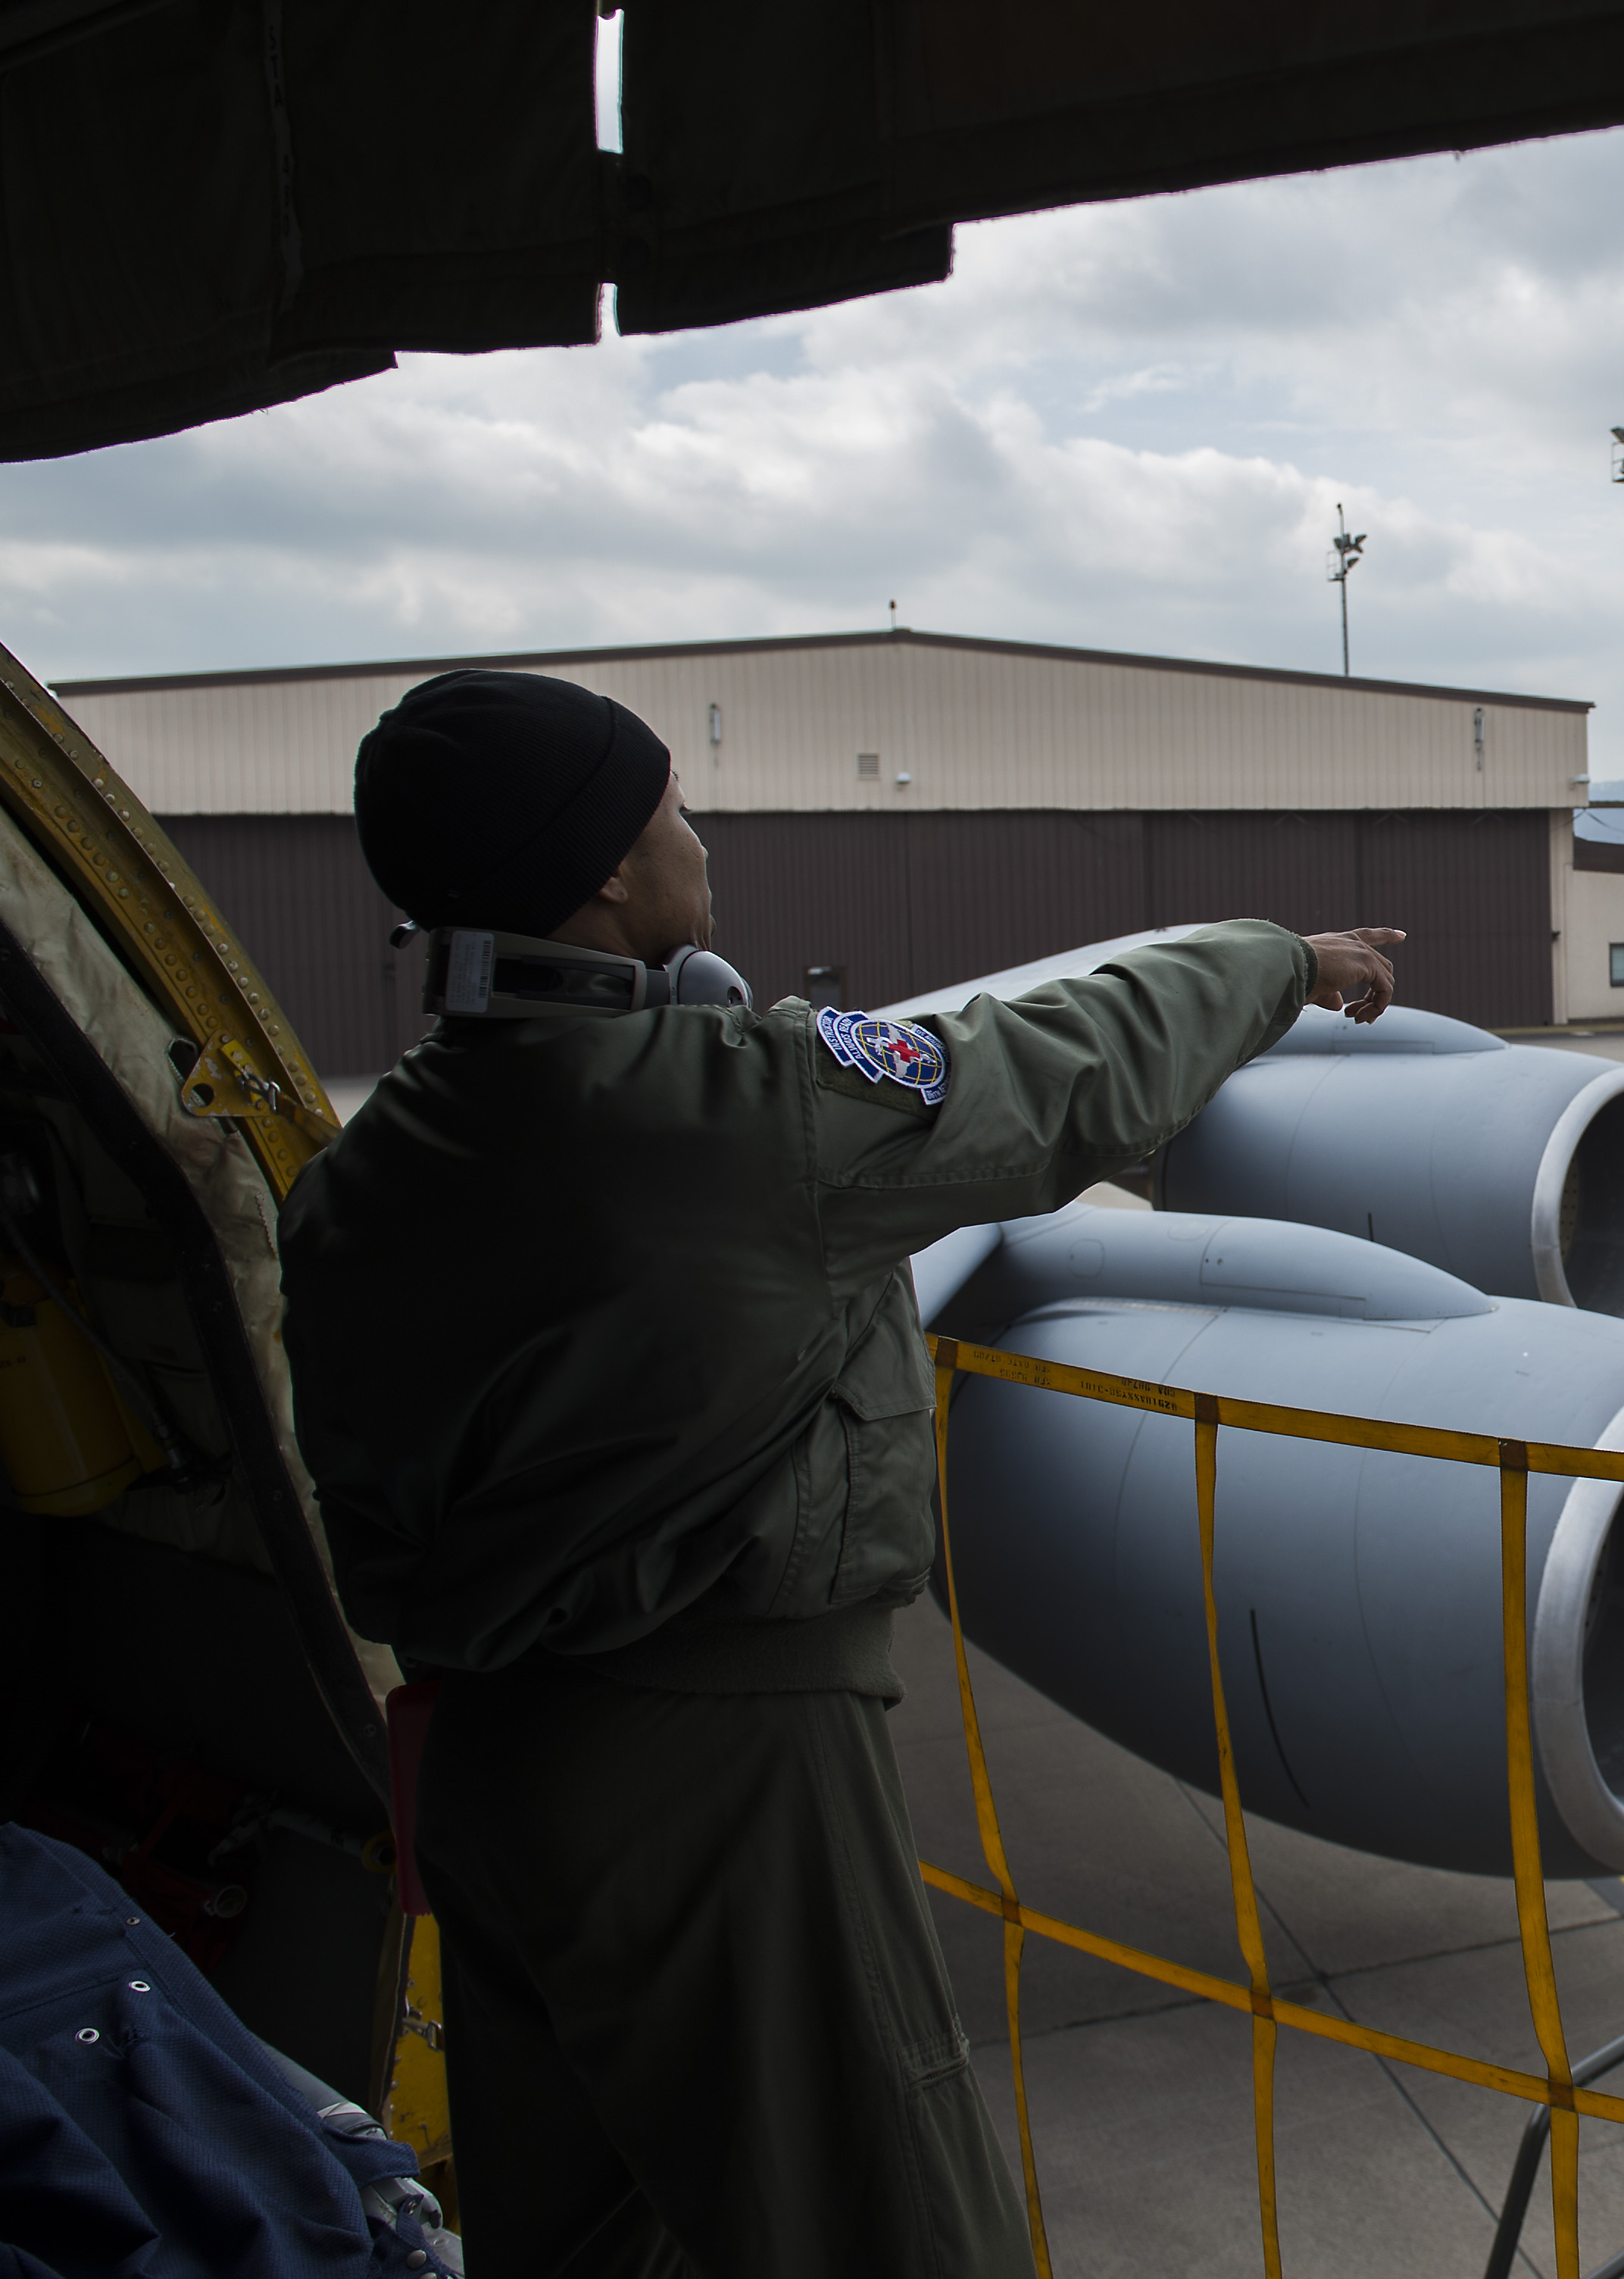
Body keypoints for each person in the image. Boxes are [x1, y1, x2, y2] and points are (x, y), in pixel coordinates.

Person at [279, 669, 1408, 2277]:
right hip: (725, 1771)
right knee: (881, 2207)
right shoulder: (729, 1115)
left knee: (580, 2215)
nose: (695, 835)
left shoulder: (365, 1172)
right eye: (666, 807)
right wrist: (1281, 961)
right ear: (603, 873)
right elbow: (1054, 1071)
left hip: (489, 1765)